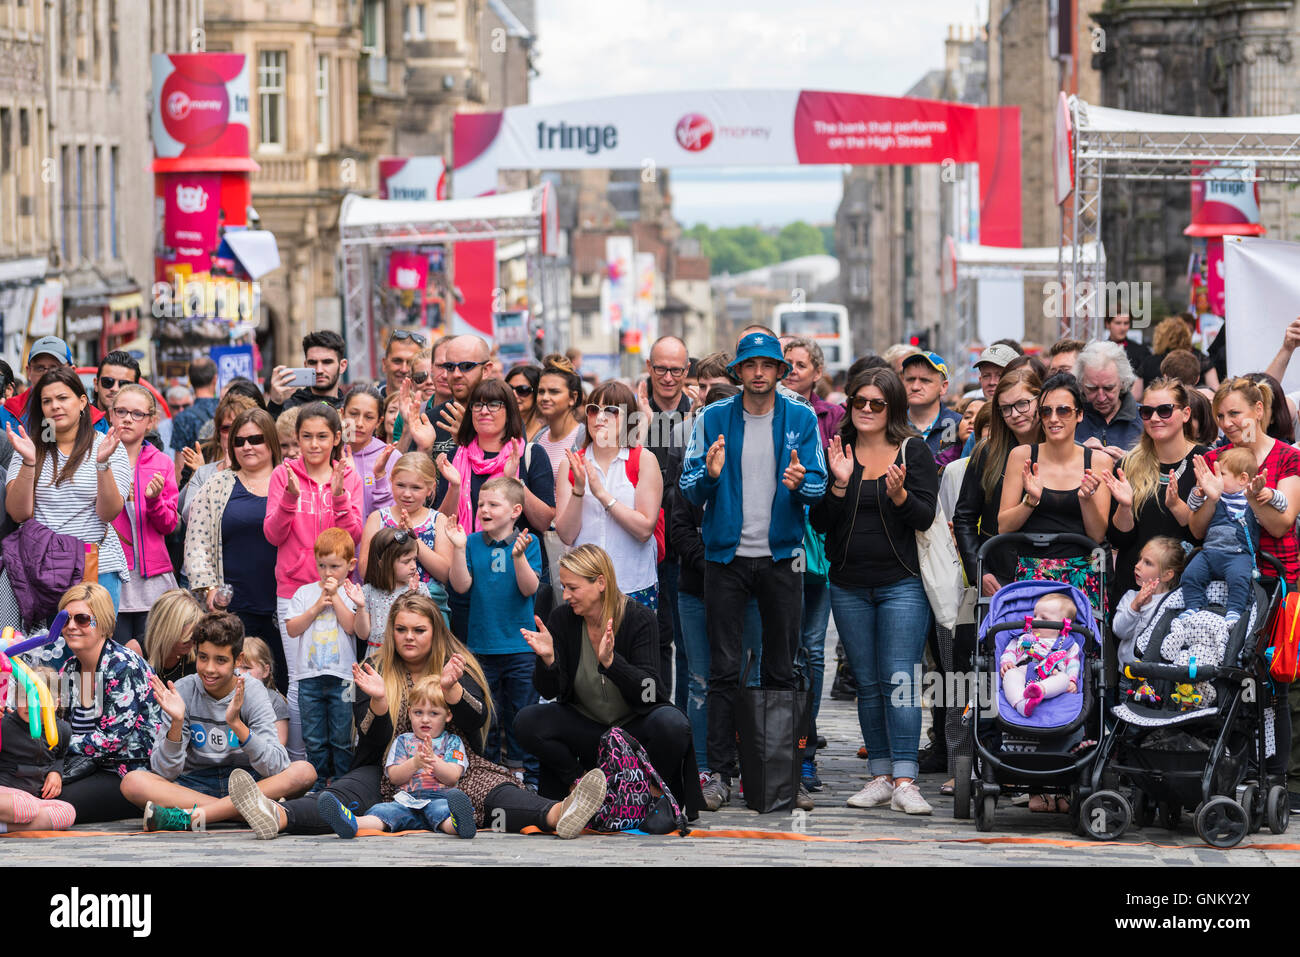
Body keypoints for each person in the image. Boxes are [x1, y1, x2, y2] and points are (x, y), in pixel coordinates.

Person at [226, 592, 606, 840]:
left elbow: (476, 727)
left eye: (419, 630)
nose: (409, 637)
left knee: (498, 791)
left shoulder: (457, 663)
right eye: (402, 629)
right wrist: (377, 703)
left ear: (435, 631)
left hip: (455, 765)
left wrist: (453, 691)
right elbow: (370, 741)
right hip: (389, 765)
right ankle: (275, 815)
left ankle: (561, 813)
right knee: (343, 794)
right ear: (391, 631)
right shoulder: (374, 667)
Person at [679, 331, 826, 811]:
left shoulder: (801, 417)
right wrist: (713, 475)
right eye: (750, 364)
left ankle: (781, 776)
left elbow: (820, 486)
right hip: (725, 560)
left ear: (781, 371)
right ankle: (720, 773)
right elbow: (688, 487)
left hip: (782, 559)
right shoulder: (712, 417)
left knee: (784, 670)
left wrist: (803, 485)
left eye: (768, 364)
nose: (759, 372)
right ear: (737, 372)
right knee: (724, 671)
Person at [812, 367, 939, 815]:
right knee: (867, 684)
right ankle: (881, 775)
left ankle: (906, 779)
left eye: (876, 403)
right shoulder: (837, 450)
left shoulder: (913, 450)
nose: (866, 410)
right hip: (848, 585)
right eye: (858, 402)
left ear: (893, 409)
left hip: (901, 583)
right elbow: (821, 522)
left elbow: (925, 517)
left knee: (899, 679)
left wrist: (901, 496)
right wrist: (840, 482)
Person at [515, 544, 703, 816]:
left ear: (600, 582)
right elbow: (549, 690)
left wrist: (612, 664)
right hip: (588, 726)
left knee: (673, 724)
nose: (566, 595)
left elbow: (650, 693)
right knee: (527, 721)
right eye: (564, 587)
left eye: (573, 588)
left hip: (632, 728)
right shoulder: (562, 619)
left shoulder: (639, 618)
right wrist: (548, 661)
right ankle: (580, 785)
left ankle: (649, 791)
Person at [121, 612, 317, 830]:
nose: (210, 669)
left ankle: (190, 818)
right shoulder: (184, 689)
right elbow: (165, 772)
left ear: (238, 660)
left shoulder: (252, 691)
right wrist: (176, 725)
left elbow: (276, 766)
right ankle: (244, 813)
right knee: (133, 782)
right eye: (203, 657)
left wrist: (237, 725)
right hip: (194, 785)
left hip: (250, 782)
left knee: (304, 771)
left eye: (221, 660)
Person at [264, 402, 363, 759]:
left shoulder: (347, 475)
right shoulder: (282, 475)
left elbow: (354, 534)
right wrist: (291, 496)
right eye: (306, 436)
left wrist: (338, 496)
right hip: (295, 590)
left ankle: (340, 763)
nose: (314, 444)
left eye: (323, 436)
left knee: (340, 681)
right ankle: (298, 763)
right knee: (299, 682)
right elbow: (273, 534)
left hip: (340, 591)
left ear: (337, 438)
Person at [4, 368, 131, 616]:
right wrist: (29, 462)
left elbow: (109, 513)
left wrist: (102, 464)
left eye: (63, 398)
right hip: (39, 568)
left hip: (96, 565)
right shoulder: (28, 447)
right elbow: (18, 513)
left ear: (82, 401)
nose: (55, 406)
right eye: (47, 401)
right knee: (39, 652)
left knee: (91, 649)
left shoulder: (107, 446)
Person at [436, 379, 555, 638]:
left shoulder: (529, 454)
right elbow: (443, 521)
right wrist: (455, 487)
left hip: (518, 580)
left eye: (493, 404)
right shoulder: (459, 456)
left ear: (509, 410)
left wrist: (514, 482)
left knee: (520, 664)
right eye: (477, 404)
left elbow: (544, 520)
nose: (484, 411)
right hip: (469, 577)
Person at [445, 478, 542, 775]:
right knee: (488, 714)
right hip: (482, 647)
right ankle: (487, 773)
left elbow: (529, 588)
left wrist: (518, 557)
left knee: (522, 713)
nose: (483, 509)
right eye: (481, 504)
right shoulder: (473, 542)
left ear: (515, 511)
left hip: (520, 647)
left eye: (492, 505)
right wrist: (459, 549)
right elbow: (460, 586)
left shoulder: (529, 541)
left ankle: (525, 773)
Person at [185, 407, 285, 689]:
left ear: (271, 441)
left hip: (285, 606)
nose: (246, 446)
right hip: (232, 609)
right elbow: (197, 542)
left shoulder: (290, 479)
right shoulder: (217, 484)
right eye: (239, 441)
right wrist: (209, 590)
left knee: (285, 685)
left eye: (255, 439)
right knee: (232, 685)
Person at [1000, 373, 1114, 613]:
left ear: (1079, 414)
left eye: (1063, 411)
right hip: (1031, 572)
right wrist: (1030, 502)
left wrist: (1085, 499)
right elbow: (1004, 527)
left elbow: (1097, 534)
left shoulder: (1098, 461)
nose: (1053, 419)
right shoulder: (1021, 456)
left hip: (1082, 573)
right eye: (1045, 412)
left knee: (1080, 647)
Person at [53, 583, 161, 823]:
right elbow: (59, 726)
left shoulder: (122, 666)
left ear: (101, 623)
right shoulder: (69, 669)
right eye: (65, 619)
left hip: (126, 774)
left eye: (82, 619)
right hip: (85, 766)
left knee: (56, 802)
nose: (71, 626)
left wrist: (57, 744)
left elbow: (110, 740)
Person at [318, 676, 477, 838]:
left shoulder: (452, 741)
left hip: (439, 799)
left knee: (444, 813)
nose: (425, 719)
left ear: (448, 716)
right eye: (418, 712)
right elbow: (394, 777)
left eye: (434, 713)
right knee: (383, 812)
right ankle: (352, 822)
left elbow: (453, 777)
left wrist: (432, 759)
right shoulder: (403, 741)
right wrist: (415, 762)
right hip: (405, 802)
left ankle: (460, 824)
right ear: (409, 713)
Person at [555, 380, 662, 611]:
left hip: (633, 586)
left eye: (611, 411)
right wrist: (579, 490)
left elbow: (645, 530)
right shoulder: (570, 465)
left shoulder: (643, 460)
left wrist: (603, 495)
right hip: (584, 591)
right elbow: (566, 534)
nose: (600, 418)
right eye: (593, 410)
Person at [1101, 377, 1207, 603]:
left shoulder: (1205, 461)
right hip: (1136, 591)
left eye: (1165, 410)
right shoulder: (1127, 466)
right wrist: (1125, 506)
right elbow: (1120, 540)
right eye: (1147, 412)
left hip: (1189, 589)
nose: (1155, 418)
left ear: (1186, 414)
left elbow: (1204, 534)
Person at [953, 368, 1045, 594]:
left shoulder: (1059, 448)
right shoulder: (988, 451)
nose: (1015, 414)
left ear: (1040, 401)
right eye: (1005, 408)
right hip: (999, 571)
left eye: (1023, 404)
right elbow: (965, 517)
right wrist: (978, 570)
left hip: (1051, 568)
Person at [285, 527, 360, 789]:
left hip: (343, 679)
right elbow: (292, 629)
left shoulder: (351, 593)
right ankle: (315, 785)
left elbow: (352, 627)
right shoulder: (304, 594)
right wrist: (317, 605)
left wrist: (336, 596)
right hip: (309, 679)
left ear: (351, 565)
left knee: (342, 737)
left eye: (335, 566)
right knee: (314, 737)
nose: (328, 573)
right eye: (322, 566)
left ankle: (342, 785)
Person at [108, 384, 180, 651]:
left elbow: (169, 524)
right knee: (115, 657)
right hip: (111, 574)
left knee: (151, 658)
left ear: (151, 421)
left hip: (151, 579)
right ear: (110, 415)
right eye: (121, 411)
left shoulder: (161, 461)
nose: (128, 418)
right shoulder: (97, 456)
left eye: (137, 414)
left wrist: (154, 501)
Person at [359, 452, 453, 626]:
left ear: (430, 488)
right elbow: (365, 571)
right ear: (391, 481)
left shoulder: (438, 520)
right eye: (400, 485)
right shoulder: (377, 518)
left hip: (430, 608)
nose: (407, 494)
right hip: (385, 608)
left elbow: (445, 573)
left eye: (416, 488)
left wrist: (412, 537)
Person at [1182, 447, 1272, 627]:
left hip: (1237, 555)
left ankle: (1234, 611)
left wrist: (1271, 494)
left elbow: (1277, 508)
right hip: (1209, 552)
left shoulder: (1251, 500)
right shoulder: (1214, 495)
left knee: (1239, 580)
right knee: (1190, 574)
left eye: (1221, 474)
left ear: (1243, 479)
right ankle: (1193, 606)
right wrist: (1200, 493)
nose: (1216, 478)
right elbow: (1192, 506)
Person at [0, 666, 76, 832]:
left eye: (39, 699)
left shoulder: (62, 729)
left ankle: (5, 827)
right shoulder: (5, 726)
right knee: (24, 807)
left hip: (33, 798)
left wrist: (56, 772)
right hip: (6, 794)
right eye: (23, 697)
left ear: (55, 704)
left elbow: (59, 756)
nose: (30, 705)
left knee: (67, 813)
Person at [0, 336, 108, 435]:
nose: (47, 375)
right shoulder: (7, 413)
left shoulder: (94, 420)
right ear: (29, 372)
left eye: (55, 368)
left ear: (72, 371)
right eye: (40, 368)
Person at [177, 391, 259, 522]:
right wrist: (202, 475)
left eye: (240, 426)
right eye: (227, 428)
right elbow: (185, 512)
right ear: (218, 432)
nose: (233, 433)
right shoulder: (203, 457)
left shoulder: (263, 467)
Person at [413, 334, 494, 463]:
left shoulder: (503, 417)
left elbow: (507, 477)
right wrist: (424, 450)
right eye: (450, 367)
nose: (456, 374)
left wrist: (469, 439)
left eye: (466, 366)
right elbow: (411, 478)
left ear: (486, 370)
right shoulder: (429, 420)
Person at [999, 591, 1082, 717]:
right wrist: (1007, 663)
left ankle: (1039, 690)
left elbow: (1073, 664)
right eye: (1035, 615)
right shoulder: (1023, 638)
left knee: (1063, 679)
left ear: (1063, 625)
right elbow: (1009, 652)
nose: (1036, 621)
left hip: (1052, 676)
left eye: (1044, 618)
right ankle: (1021, 704)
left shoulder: (1069, 645)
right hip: (1024, 671)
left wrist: (1072, 680)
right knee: (1010, 675)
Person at [354, 527, 428, 657]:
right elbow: (362, 634)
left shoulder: (420, 589)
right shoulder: (368, 592)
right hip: (377, 658)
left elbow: (426, 626)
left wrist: (413, 597)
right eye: (406, 561)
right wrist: (361, 607)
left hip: (407, 657)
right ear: (383, 563)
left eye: (414, 559)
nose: (414, 566)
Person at [1113, 537, 1186, 666]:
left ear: (1166, 575)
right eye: (1140, 559)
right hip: (1128, 674)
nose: (1137, 566)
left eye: (1147, 563)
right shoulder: (1130, 597)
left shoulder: (1173, 602)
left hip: (1158, 674)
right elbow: (1120, 632)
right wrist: (1135, 606)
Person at [1075, 340, 1142, 458]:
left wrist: (1130, 464)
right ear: (1081, 384)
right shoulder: (1068, 417)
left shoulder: (1146, 418)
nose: (1101, 398)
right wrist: (1076, 455)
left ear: (1122, 382)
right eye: (1092, 389)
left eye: (1108, 388)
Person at [341, 384, 397, 520]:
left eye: (369, 417)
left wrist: (380, 477)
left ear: (379, 422)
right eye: (353, 414)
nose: (359, 423)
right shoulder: (330, 453)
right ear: (342, 414)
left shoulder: (391, 457)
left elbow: (394, 514)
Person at [266, 330, 348, 420]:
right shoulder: (290, 407)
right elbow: (272, 433)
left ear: (342, 366)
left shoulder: (350, 408)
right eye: (313, 362)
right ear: (305, 365)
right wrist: (275, 404)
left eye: (327, 362)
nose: (319, 370)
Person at [532, 355, 585, 484]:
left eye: (554, 392)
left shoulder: (585, 437)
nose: (545, 397)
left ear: (573, 397)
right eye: (541, 391)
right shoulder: (538, 439)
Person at [901, 351, 961, 463]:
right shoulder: (891, 424)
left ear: (943, 387)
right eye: (910, 379)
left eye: (925, 380)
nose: (915, 387)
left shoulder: (959, 425)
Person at [142, 588, 205, 686]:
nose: (193, 643)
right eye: (186, 639)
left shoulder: (198, 656)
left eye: (196, 636)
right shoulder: (136, 653)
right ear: (165, 629)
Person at [169, 357, 219, 476]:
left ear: (190, 381)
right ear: (215, 379)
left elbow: (180, 466)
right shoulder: (228, 410)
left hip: (195, 486)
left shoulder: (183, 418)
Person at [238, 636, 290, 746]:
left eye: (247, 668)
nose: (241, 673)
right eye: (237, 667)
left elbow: (279, 745)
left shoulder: (275, 701)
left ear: (265, 671)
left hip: (262, 760)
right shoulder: (226, 696)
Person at [379, 329, 426, 398]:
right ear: (384, 364)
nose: (404, 369)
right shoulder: (369, 404)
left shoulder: (430, 405)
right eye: (397, 361)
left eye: (411, 362)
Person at [506, 363, 545, 441]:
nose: (514, 395)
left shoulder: (548, 433)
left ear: (538, 392)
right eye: (509, 389)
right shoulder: (498, 429)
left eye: (522, 390)